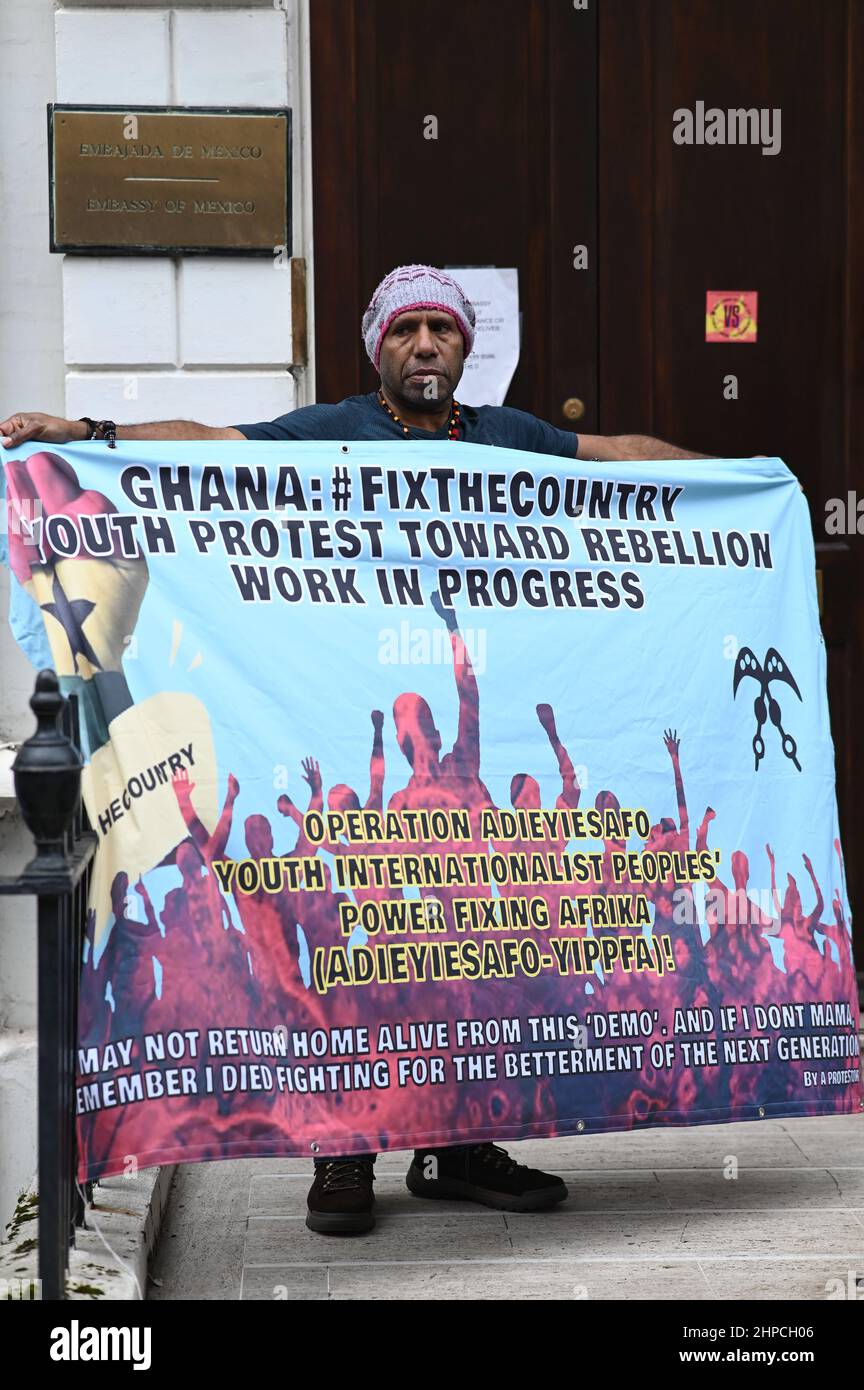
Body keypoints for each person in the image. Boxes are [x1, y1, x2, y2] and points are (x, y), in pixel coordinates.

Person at [1, 262, 710, 1235]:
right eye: (407, 328)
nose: (426, 344)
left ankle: (457, 1146)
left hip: (470, 758)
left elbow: (613, 453)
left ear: (466, 348)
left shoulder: (508, 438)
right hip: (352, 745)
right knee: (356, 942)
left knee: (466, 944)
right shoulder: (331, 428)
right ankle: (343, 1154)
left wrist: (745, 484)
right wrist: (87, 435)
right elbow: (210, 447)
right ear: (376, 344)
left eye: (443, 330)